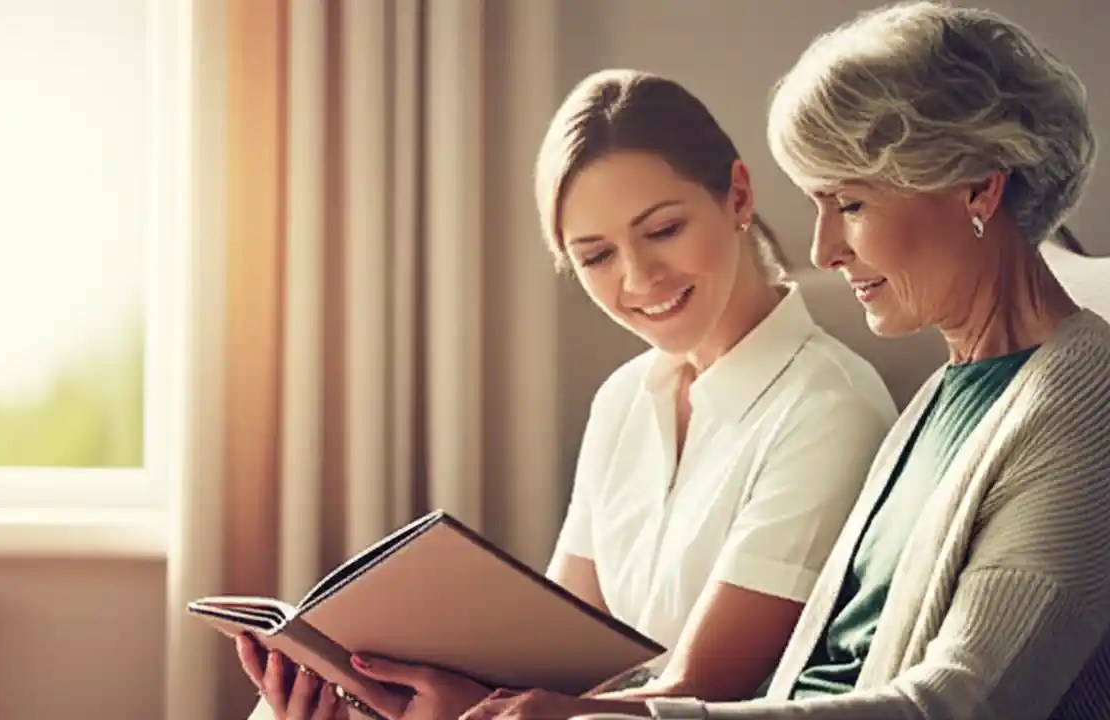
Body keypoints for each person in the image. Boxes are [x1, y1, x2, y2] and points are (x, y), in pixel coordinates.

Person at [470, 3, 1110, 719]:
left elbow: (961, 705)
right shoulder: (945, 392)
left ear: (978, 188)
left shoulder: (1089, 405)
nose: (822, 250)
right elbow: (816, 679)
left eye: (850, 204)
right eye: (817, 204)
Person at [237, 68, 897, 720]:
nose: (638, 278)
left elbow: (703, 694)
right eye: (597, 256)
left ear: (739, 195)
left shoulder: (827, 409)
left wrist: (485, 711)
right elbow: (557, 657)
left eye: (664, 230)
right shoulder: (623, 400)